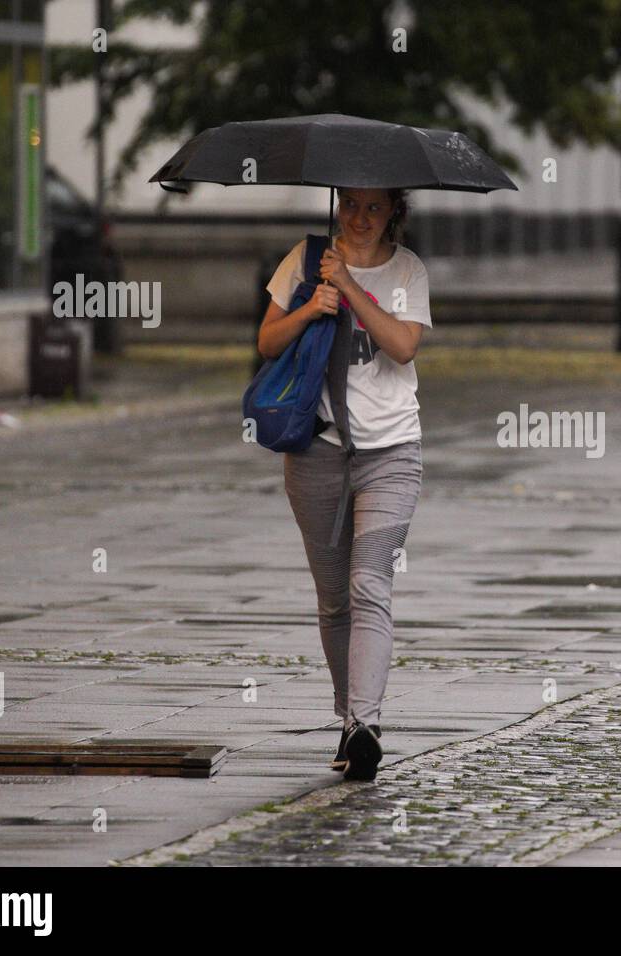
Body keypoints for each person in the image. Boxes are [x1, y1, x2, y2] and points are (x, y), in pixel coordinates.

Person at [257, 187, 431, 781]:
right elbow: (267, 342)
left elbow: (404, 346)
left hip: (391, 452)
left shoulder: (407, 269)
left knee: (369, 582)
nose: (359, 217)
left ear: (393, 214)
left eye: (374, 207)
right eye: (350, 204)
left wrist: (353, 289)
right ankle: (349, 718)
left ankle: (365, 721)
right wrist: (312, 305)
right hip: (316, 450)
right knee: (334, 597)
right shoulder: (305, 262)